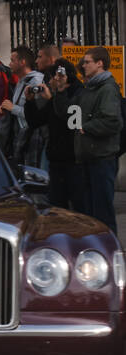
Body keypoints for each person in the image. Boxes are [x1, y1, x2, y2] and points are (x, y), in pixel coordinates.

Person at [74, 45, 122, 234]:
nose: (83, 65)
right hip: (88, 155)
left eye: (87, 62)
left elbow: (112, 121)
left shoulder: (107, 89)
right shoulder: (90, 87)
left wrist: (87, 127)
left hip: (102, 156)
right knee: (91, 212)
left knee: (102, 211)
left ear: (100, 63)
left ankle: (110, 250)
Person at [25, 58, 84, 212]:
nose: (49, 82)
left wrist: (56, 95)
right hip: (56, 160)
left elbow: (69, 122)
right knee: (57, 207)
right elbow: (36, 121)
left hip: (74, 162)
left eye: (50, 78)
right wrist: (30, 102)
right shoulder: (56, 97)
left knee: (77, 207)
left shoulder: (78, 94)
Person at [0, 46, 44, 169]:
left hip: (31, 135)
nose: (9, 64)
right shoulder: (21, 81)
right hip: (20, 134)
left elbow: (36, 114)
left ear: (22, 62)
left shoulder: (35, 81)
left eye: (12, 60)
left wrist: (13, 108)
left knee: (31, 171)